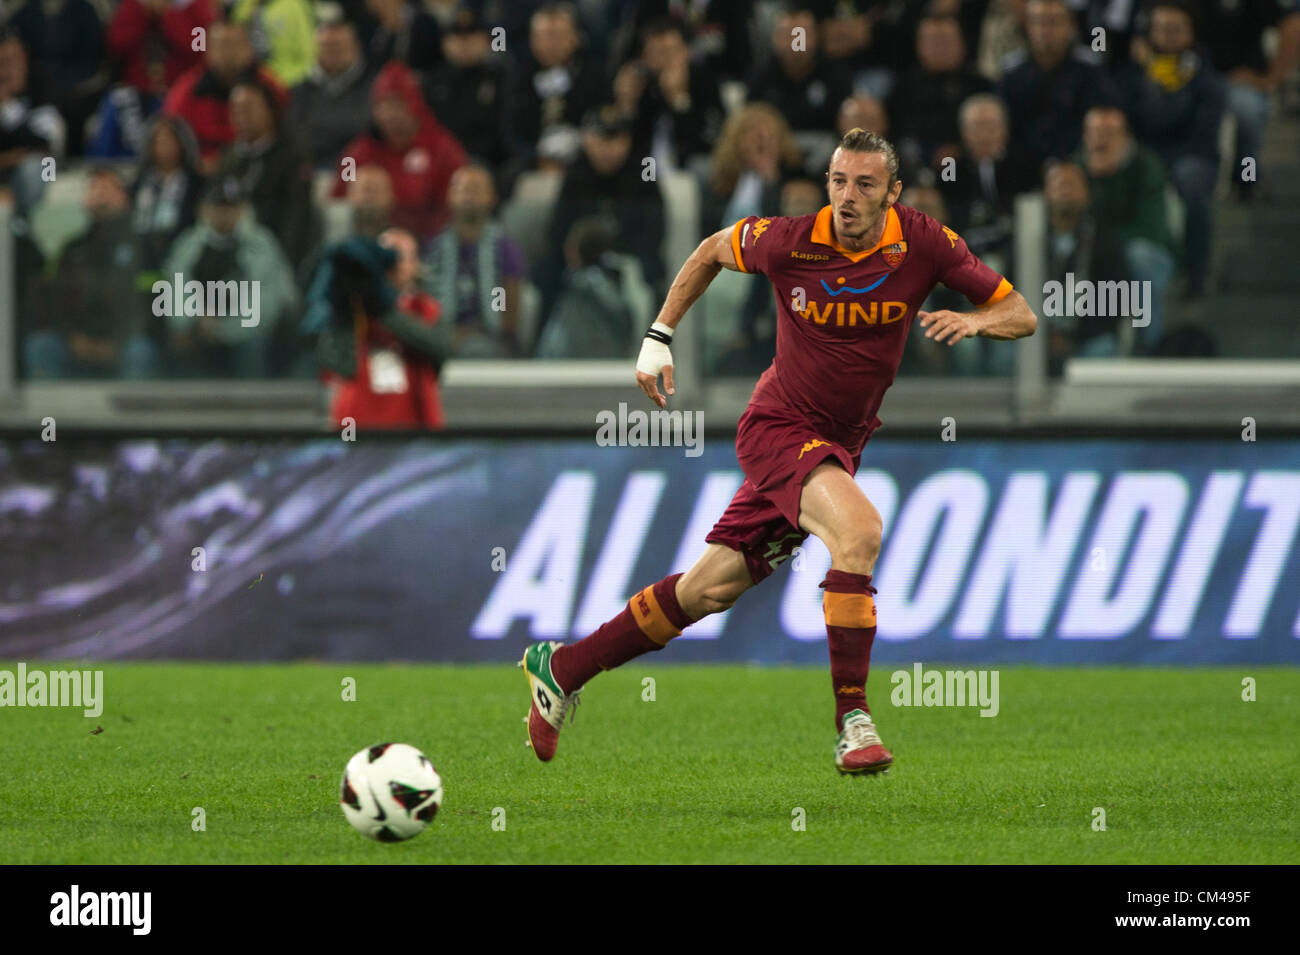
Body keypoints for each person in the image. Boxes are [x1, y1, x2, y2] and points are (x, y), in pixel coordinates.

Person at [518, 128, 1038, 773]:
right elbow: (709, 251)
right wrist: (659, 335)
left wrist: (977, 320)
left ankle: (562, 668)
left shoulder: (925, 242)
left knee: (707, 592)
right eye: (839, 181)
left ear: (893, 193)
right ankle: (853, 720)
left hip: (842, 443)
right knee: (860, 532)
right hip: (779, 426)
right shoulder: (790, 240)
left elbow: (1020, 311)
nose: (847, 197)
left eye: (865, 185)